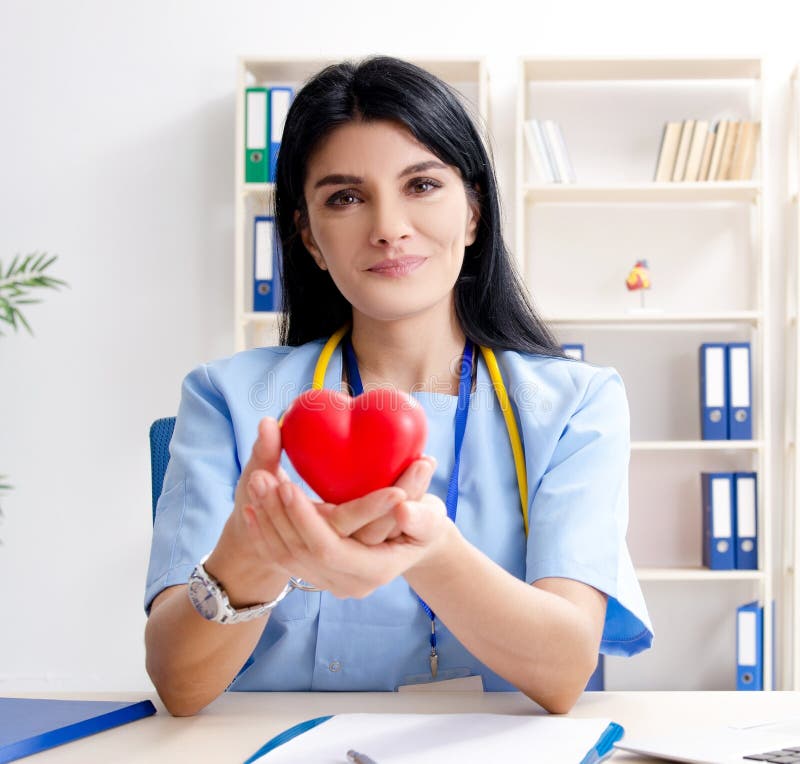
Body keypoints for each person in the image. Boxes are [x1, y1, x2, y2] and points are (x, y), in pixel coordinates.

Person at [144, 55, 653, 718]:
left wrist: (430, 551)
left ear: (473, 213)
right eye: (345, 198)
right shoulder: (226, 400)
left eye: (422, 185)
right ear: (310, 238)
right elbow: (179, 687)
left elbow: (564, 673)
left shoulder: (576, 405)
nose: (388, 226)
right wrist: (249, 556)